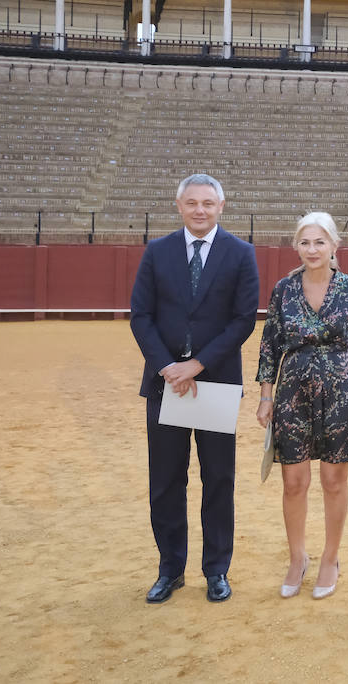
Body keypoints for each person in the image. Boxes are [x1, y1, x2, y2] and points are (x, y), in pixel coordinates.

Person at [130, 173, 260, 604]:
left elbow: (243, 320)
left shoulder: (240, 253)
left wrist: (197, 364)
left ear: (221, 206)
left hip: (216, 382)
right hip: (165, 383)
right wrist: (168, 366)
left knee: (218, 479)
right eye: (192, 203)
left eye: (207, 203)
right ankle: (170, 570)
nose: (199, 210)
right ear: (179, 206)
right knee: (166, 481)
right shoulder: (157, 251)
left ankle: (216, 570)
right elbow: (141, 315)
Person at [255, 211, 348, 600]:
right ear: (296, 246)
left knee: (333, 480)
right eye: (305, 242)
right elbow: (270, 343)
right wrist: (265, 396)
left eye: (319, 242)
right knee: (294, 482)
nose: (312, 249)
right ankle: (298, 558)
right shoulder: (283, 290)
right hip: (292, 392)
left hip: (341, 394)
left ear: (334, 245)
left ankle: (330, 558)